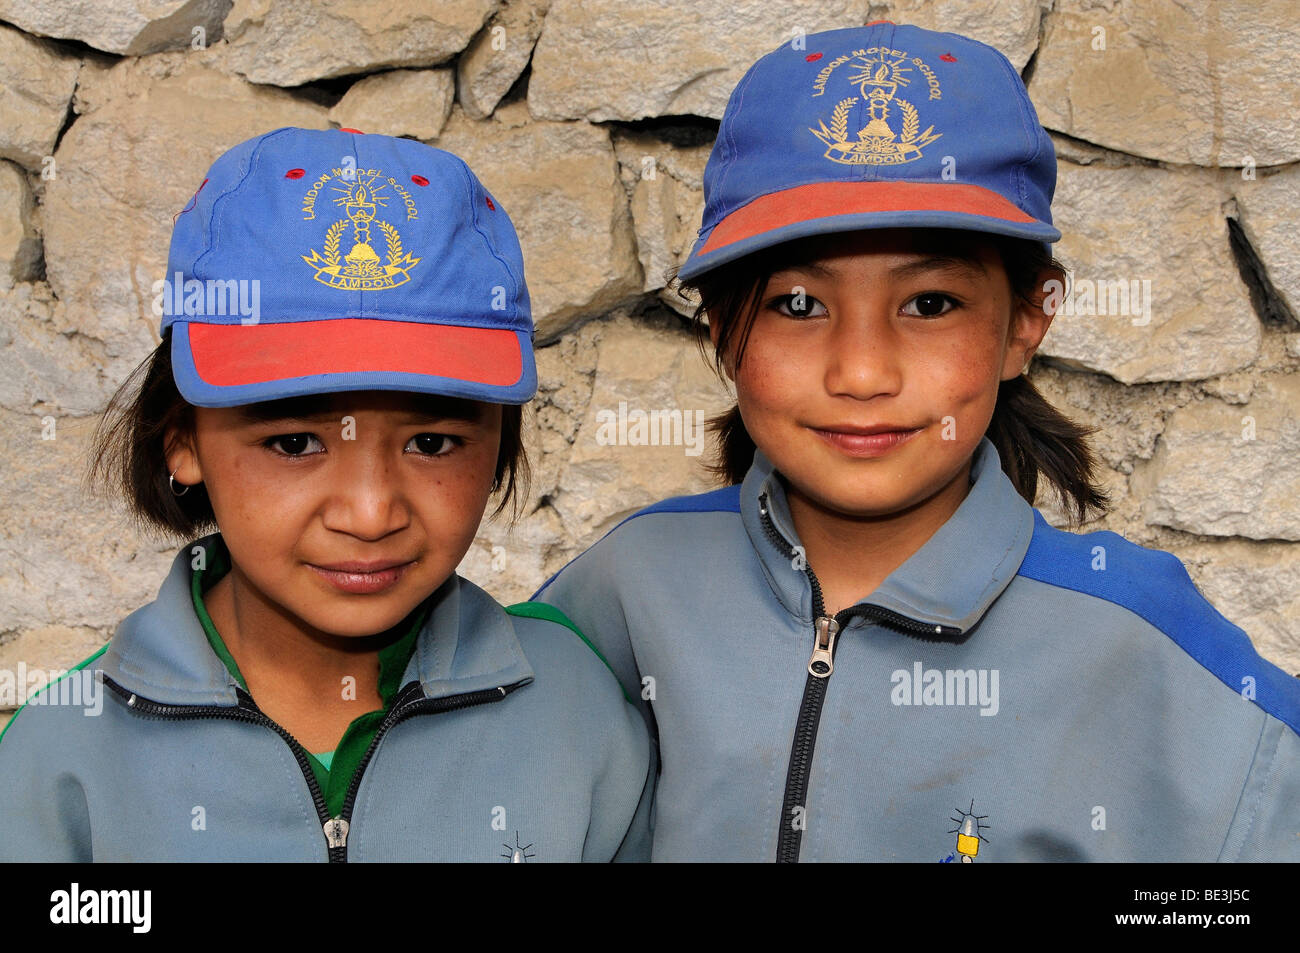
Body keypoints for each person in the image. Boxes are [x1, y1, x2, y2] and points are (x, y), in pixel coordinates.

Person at [532, 22, 1299, 861]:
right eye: (797, 303)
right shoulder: (625, 593)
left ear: (1026, 320)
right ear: (720, 326)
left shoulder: (1143, 645)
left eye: (930, 303)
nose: (862, 372)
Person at [0, 127, 651, 862]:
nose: (370, 513)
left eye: (431, 443)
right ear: (180, 439)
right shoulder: (66, 761)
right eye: (294, 442)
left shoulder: (578, 716)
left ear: (502, 439)